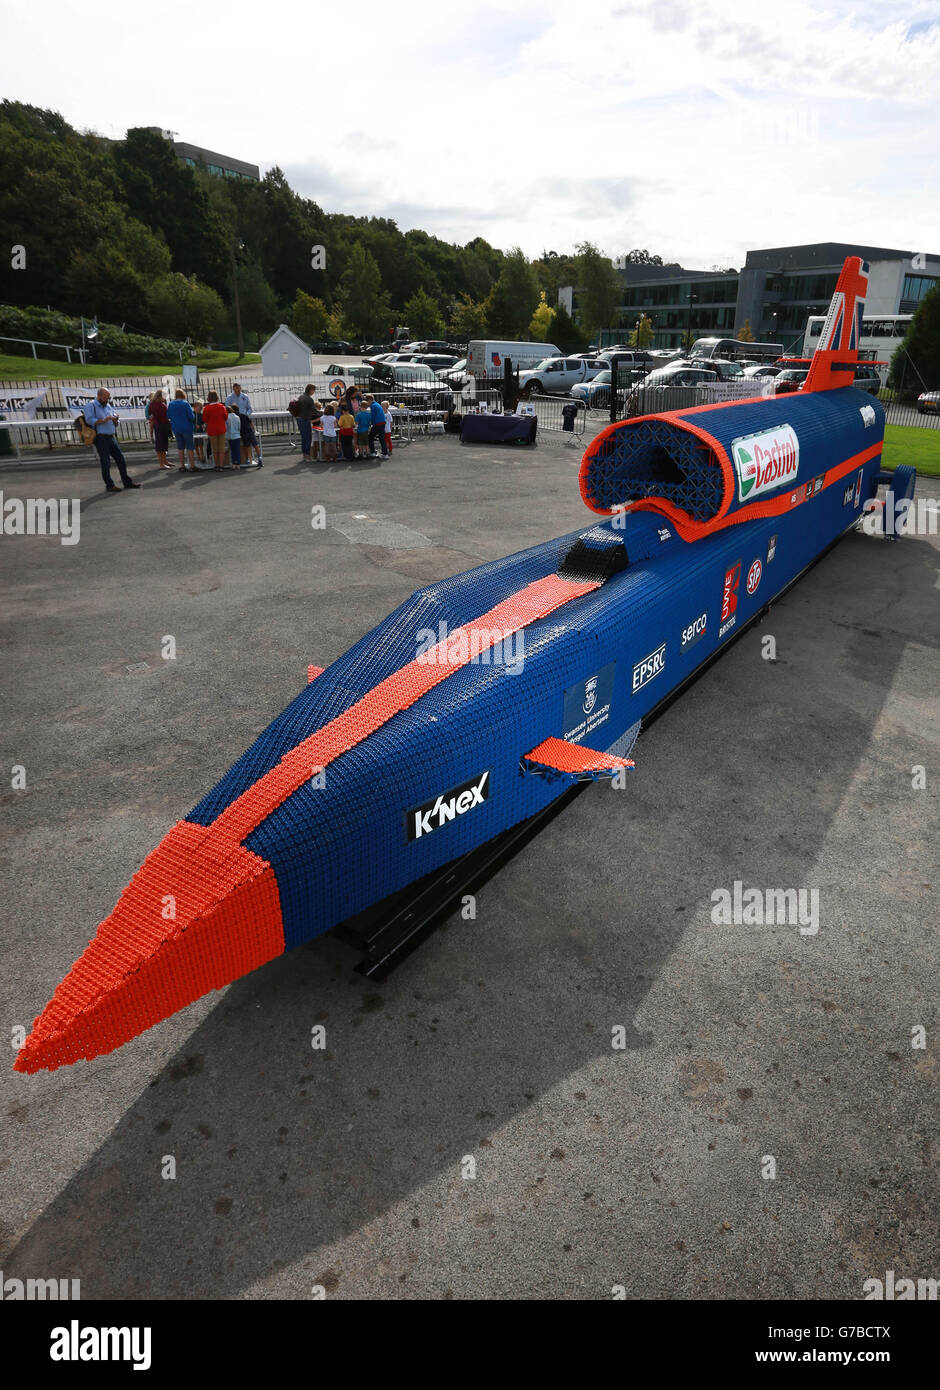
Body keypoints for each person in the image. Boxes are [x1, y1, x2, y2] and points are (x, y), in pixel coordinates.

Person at [83, 388, 139, 491]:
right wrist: (104, 420)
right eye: (105, 397)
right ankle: (109, 485)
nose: (107, 399)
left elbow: (115, 417)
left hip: (110, 437)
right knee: (106, 462)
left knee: (121, 460)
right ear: (99, 396)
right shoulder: (91, 406)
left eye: (108, 397)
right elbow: (89, 420)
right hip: (100, 437)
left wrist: (116, 420)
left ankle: (127, 482)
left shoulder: (107, 405)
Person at [167, 390, 196, 471]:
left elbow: (168, 415)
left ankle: (182, 466)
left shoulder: (171, 404)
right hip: (186, 427)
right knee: (190, 447)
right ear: (183, 395)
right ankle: (192, 466)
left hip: (176, 427)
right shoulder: (185, 403)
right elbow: (191, 416)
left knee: (180, 447)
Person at [203, 391, 229, 470]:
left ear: (209, 398)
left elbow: (205, 419)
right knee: (221, 449)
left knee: (214, 449)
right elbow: (225, 417)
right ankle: (221, 465)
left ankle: (216, 465)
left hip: (212, 430)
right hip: (221, 429)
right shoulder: (222, 406)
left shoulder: (206, 408)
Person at [148, 389, 172, 471]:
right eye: (164, 396)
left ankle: (164, 462)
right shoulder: (162, 405)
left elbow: (150, 414)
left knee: (161, 444)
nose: (165, 398)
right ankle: (162, 464)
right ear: (160, 396)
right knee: (162, 445)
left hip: (157, 425)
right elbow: (166, 416)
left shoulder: (152, 404)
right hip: (162, 425)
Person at [295, 384, 318, 462]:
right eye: (314, 390)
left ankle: (304, 455)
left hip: (299, 418)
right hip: (305, 419)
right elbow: (314, 411)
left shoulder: (301, 397)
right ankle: (307, 456)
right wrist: (323, 413)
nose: (314, 392)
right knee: (308, 438)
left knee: (304, 438)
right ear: (311, 390)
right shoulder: (309, 399)